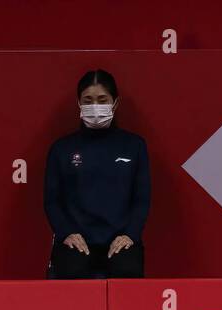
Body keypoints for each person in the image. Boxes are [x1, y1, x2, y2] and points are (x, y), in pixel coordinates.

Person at [44, 69, 149, 280]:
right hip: (77, 241)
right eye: (88, 100)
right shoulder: (61, 149)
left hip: (120, 240)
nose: (95, 107)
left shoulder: (134, 146)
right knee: (72, 268)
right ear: (79, 104)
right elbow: (52, 201)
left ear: (115, 103)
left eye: (102, 100)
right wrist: (66, 233)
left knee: (126, 268)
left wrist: (130, 234)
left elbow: (141, 199)